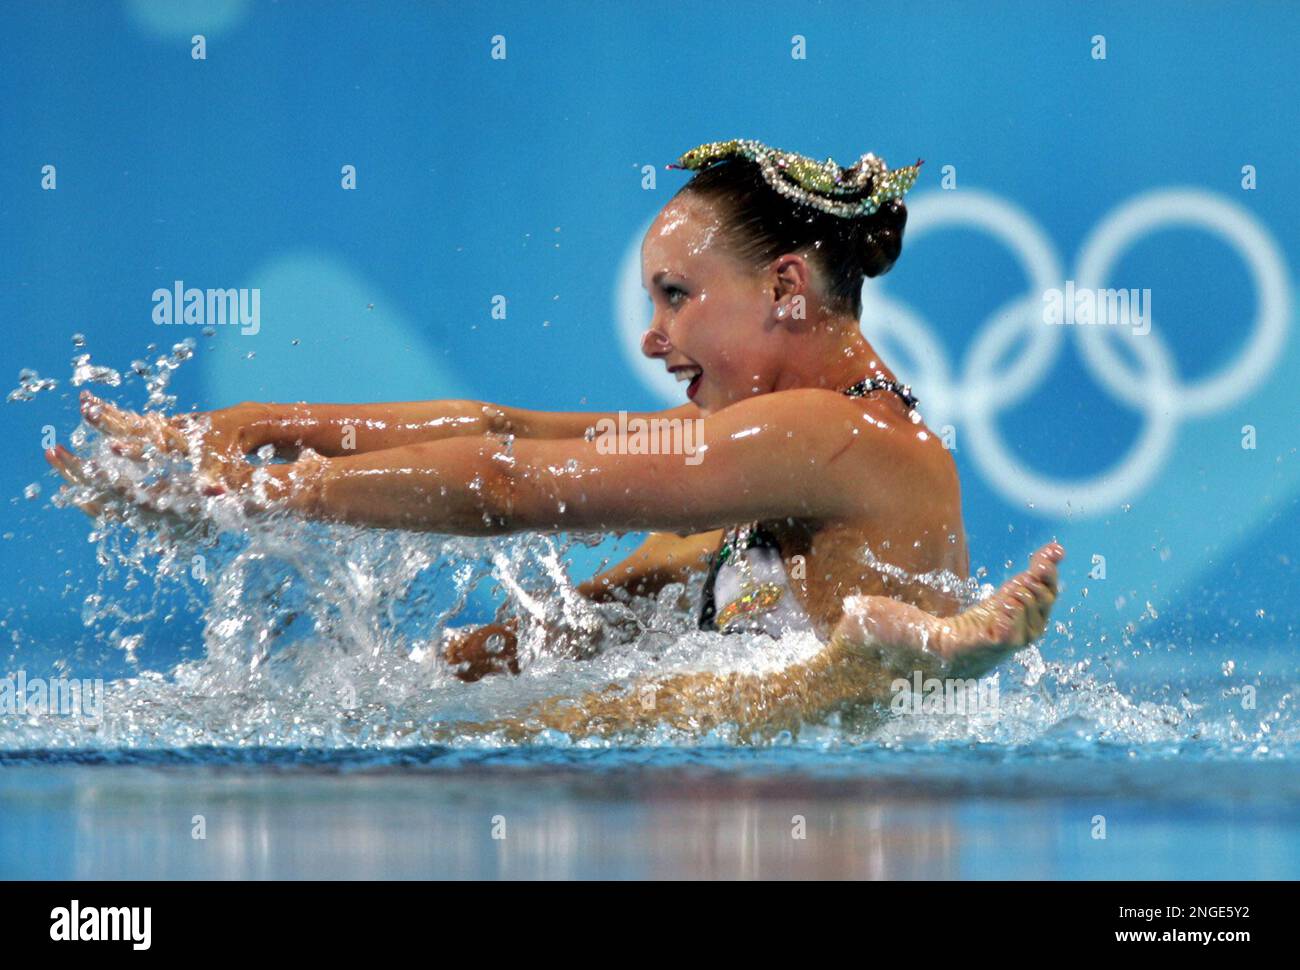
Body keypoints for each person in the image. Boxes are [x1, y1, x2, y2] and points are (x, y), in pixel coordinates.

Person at [47, 138, 1064, 740]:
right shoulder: (774, 444)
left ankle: (880, 664)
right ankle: (887, 661)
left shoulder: (835, 436)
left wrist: (255, 493)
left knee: (534, 729)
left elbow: (509, 483)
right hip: (792, 775)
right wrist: (256, 428)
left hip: (838, 796)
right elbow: (509, 430)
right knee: (581, 638)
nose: (653, 336)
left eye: (676, 297)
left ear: (785, 289)